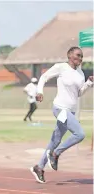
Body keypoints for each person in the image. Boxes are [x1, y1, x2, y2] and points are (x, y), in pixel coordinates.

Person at [30, 46, 93, 184]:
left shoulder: (80, 73)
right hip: (60, 109)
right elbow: (44, 76)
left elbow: (78, 93)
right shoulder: (61, 67)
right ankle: (55, 153)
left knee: (55, 140)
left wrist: (88, 83)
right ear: (70, 55)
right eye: (78, 55)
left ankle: (39, 167)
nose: (80, 58)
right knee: (79, 134)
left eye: (82, 56)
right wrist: (39, 91)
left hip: (70, 111)